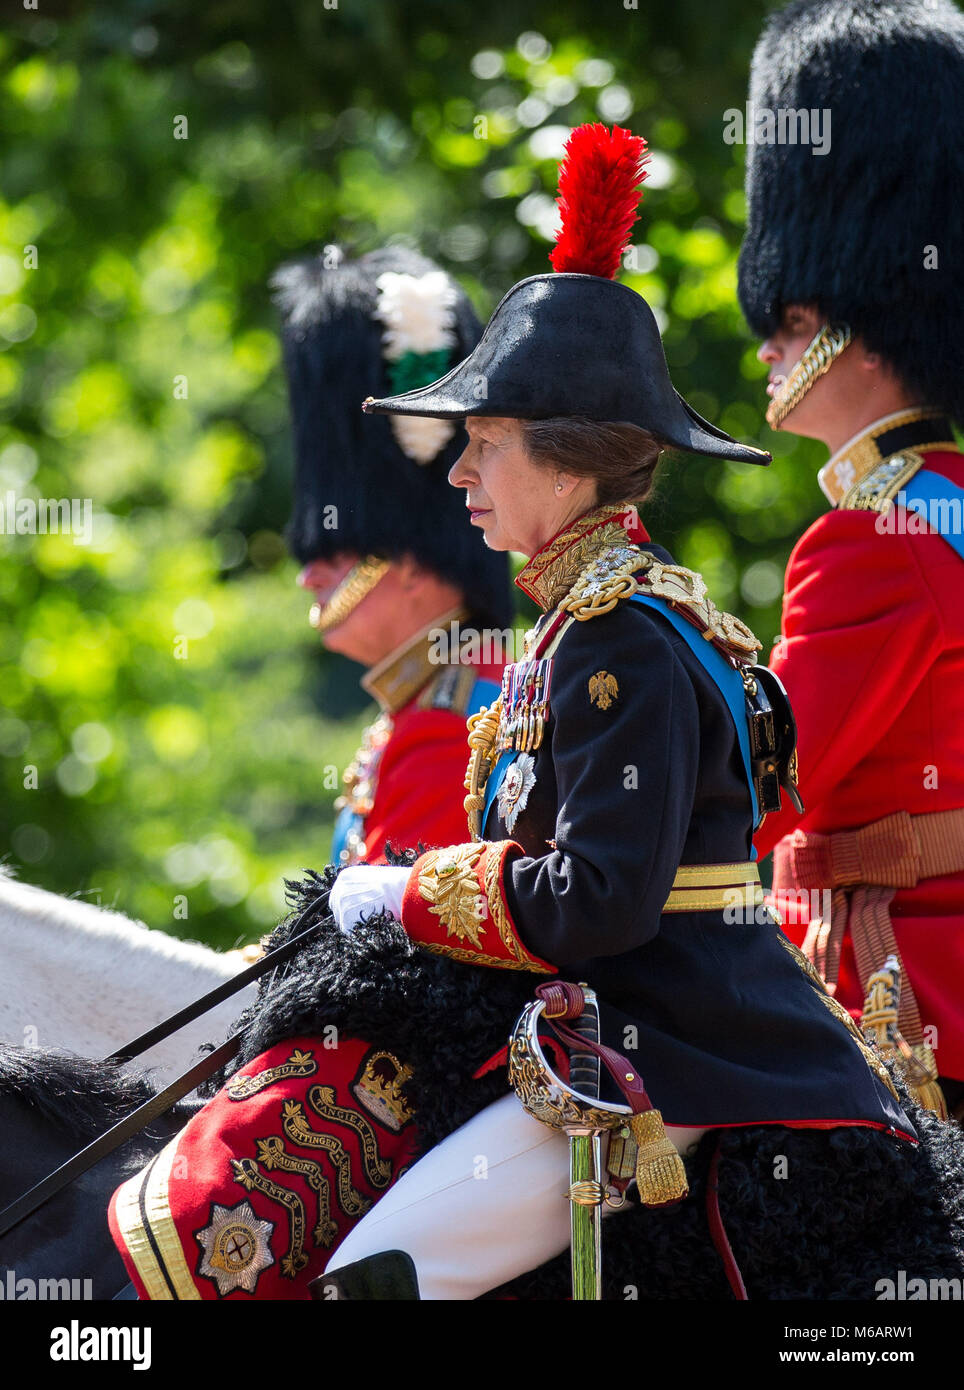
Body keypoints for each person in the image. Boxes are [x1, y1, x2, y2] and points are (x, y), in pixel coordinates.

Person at [108, 124, 963, 1304]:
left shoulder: (620, 637)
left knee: (373, 1279)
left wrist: (397, 891)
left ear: (565, 469)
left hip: (687, 1050)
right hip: (626, 1025)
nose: (459, 477)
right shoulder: (587, 619)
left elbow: (599, 900)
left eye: (486, 446)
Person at [737, 0, 964, 1121]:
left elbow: (756, 787)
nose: (766, 341)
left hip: (888, 991)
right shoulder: (942, 510)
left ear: (860, 321)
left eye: (788, 312)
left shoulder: (871, 540)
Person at [275, 245, 511, 866]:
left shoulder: (450, 730)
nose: (308, 575)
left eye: (337, 549)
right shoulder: (418, 711)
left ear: (408, 556)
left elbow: (374, 961)